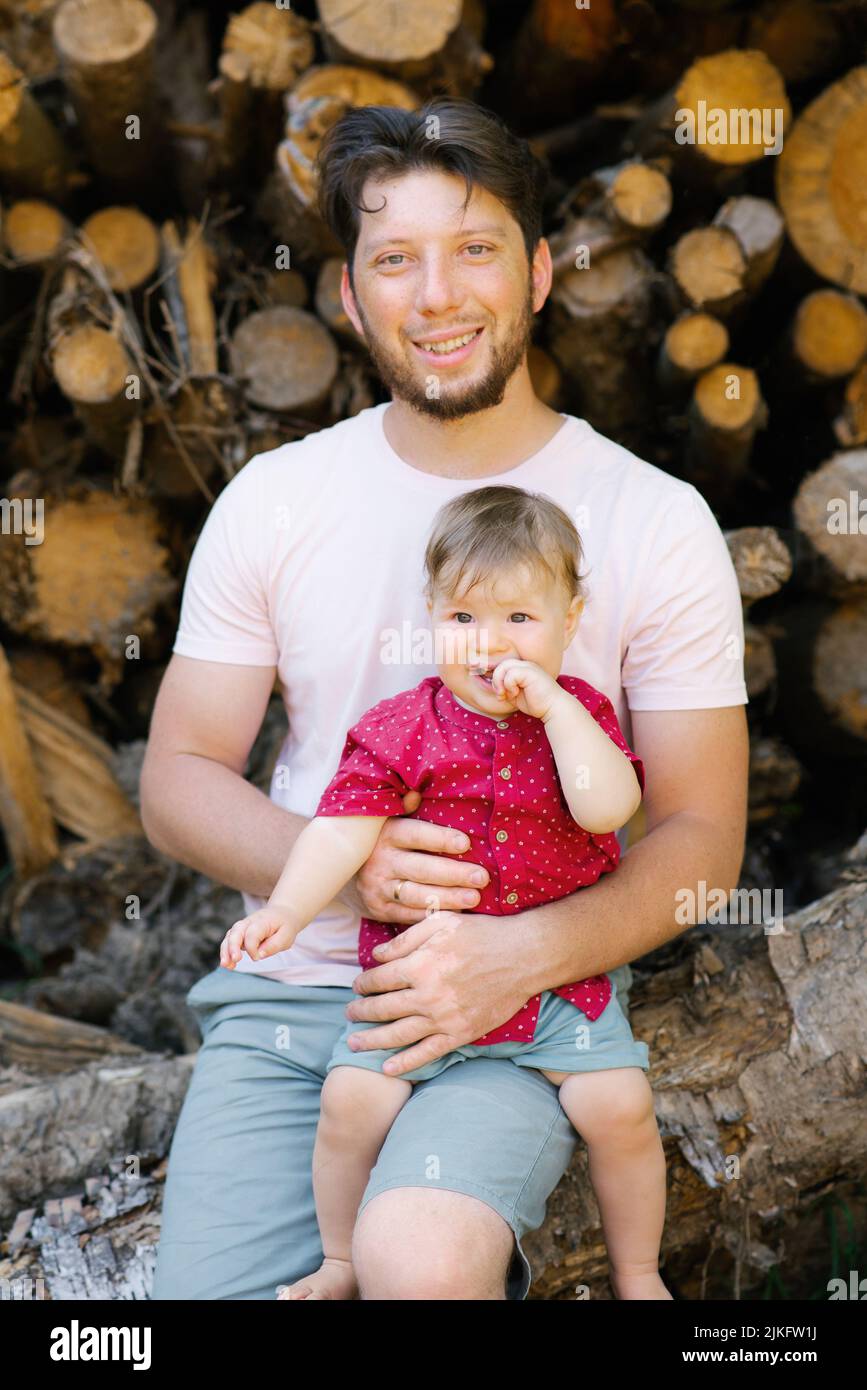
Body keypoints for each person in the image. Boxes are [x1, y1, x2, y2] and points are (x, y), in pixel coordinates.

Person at [143, 95, 748, 1302]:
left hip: (515, 1018)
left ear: (533, 274)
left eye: (474, 249)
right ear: (353, 298)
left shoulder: (654, 518)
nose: (439, 295)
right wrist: (349, 869)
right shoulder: (277, 499)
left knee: (420, 1267)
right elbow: (177, 778)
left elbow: (704, 843)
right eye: (395, 260)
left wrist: (517, 953)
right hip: (299, 1003)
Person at [222, 484, 672, 1302]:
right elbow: (340, 830)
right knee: (349, 1103)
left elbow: (609, 808)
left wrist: (556, 711)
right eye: (463, 619)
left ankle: (638, 1274)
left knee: (620, 1107)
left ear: (570, 622)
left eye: (518, 620)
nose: (488, 644)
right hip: (417, 983)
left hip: (554, 984)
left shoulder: (584, 714)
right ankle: (341, 1260)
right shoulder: (402, 725)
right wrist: (287, 909)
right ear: (429, 615)